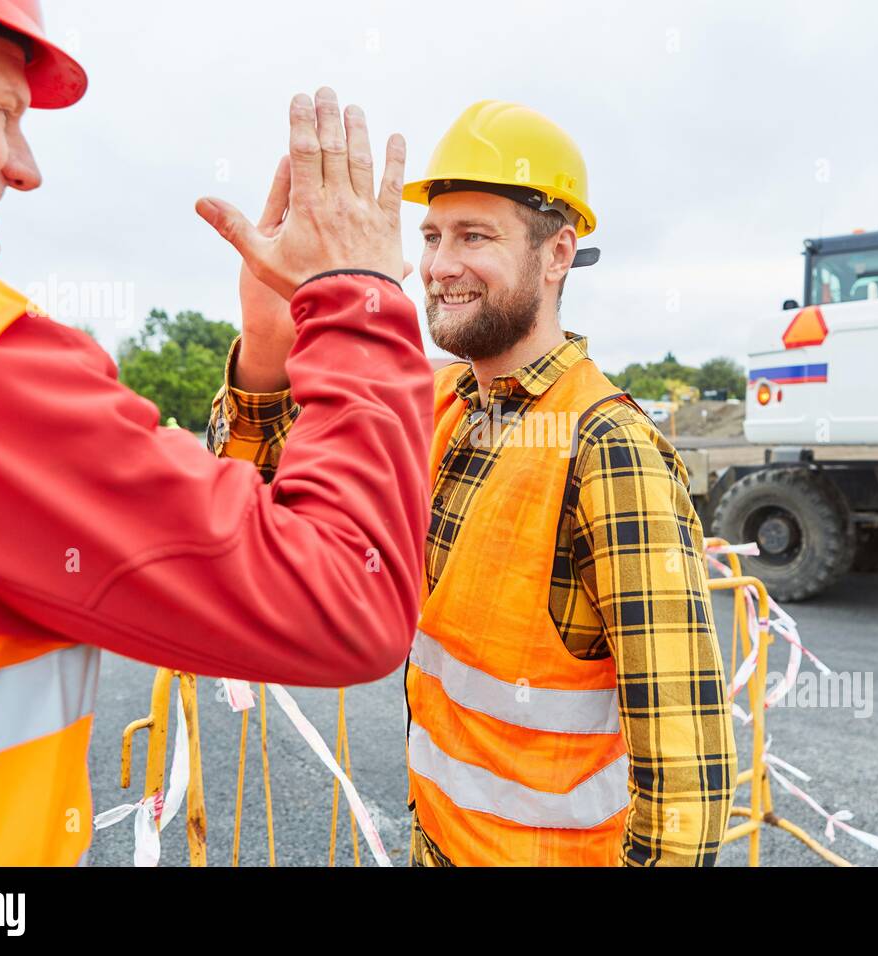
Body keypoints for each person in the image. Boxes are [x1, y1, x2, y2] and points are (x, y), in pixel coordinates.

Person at [0, 0, 432, 864]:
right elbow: (342, 597)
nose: (25, 169)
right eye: (3, 112)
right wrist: (360, 300)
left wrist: (269, 363)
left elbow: (201, 542)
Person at [210, 101, 737, 866]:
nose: (439, 265)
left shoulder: (608, 447)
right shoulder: (433, 405)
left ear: (558, 254)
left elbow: (685, 776)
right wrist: (266, 339)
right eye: (431, 236)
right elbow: (250, 512)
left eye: (474, 236)